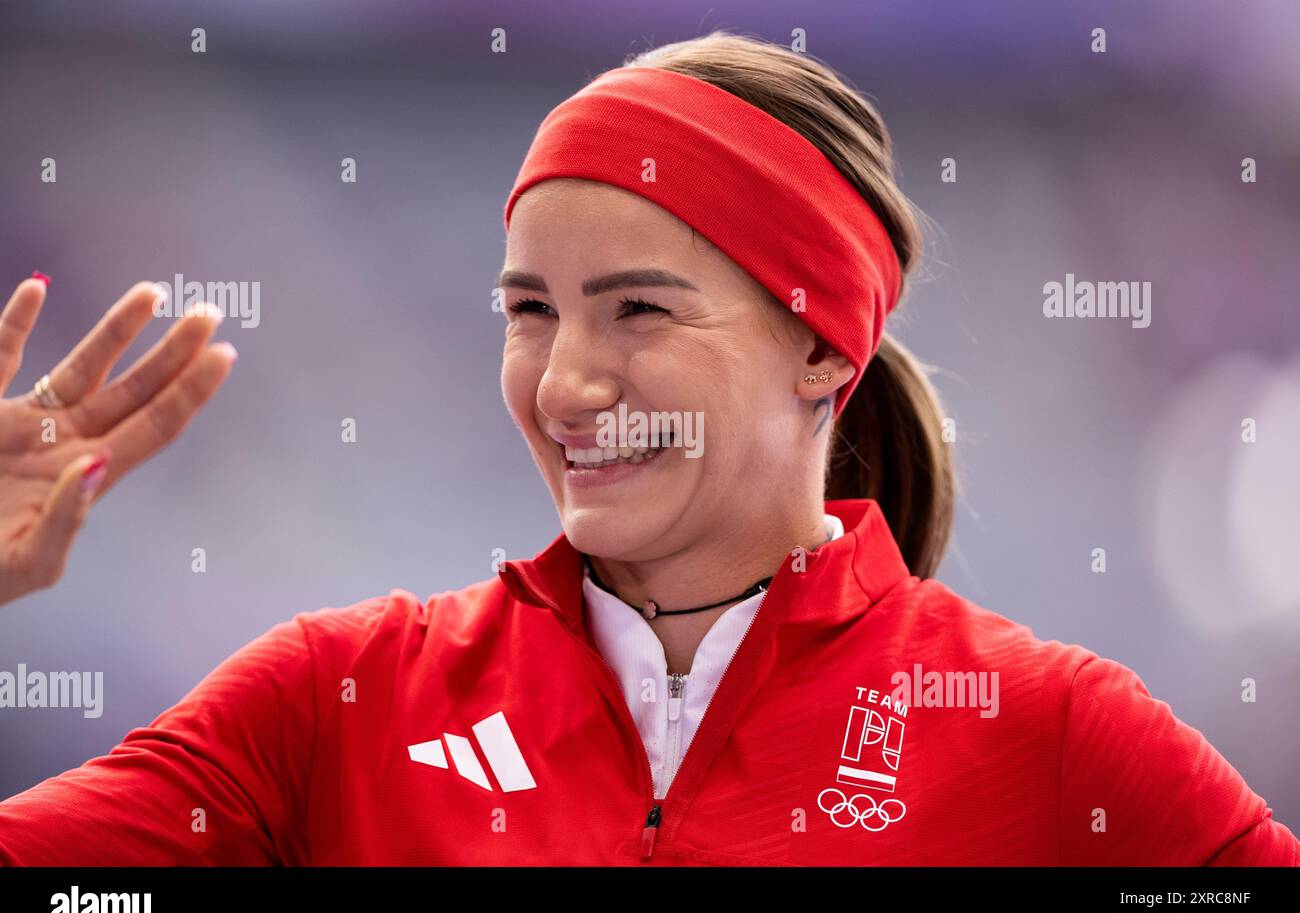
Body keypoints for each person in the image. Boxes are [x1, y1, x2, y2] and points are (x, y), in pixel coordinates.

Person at [0, 31, 1295, 866]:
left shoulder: (1048, 731)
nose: (564, 380)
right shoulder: (334, 701)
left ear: (822, 352)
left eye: (639, 311)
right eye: (529, 313)